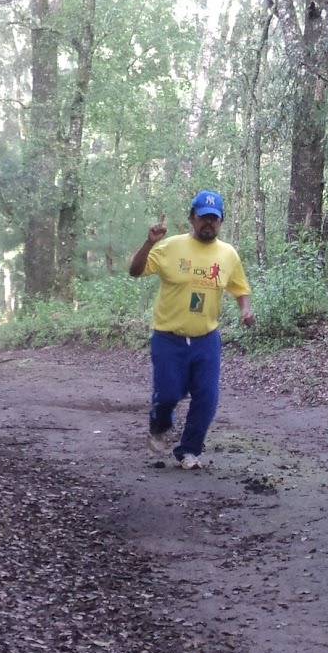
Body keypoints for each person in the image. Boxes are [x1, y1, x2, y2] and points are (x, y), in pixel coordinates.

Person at [128, 189, 254, 469]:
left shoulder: (228, 254)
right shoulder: (169, 246)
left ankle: (189, 450)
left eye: (214, 219)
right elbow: (135, 271)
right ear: (192, 218)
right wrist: (148, 243)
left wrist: (245, 308)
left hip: (206, 338)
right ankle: (160, 426)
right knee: (169, 395)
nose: (209, 223)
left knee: (207, 397)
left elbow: (240, 287)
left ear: (221, 221)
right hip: (168, 337)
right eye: (203, 218)